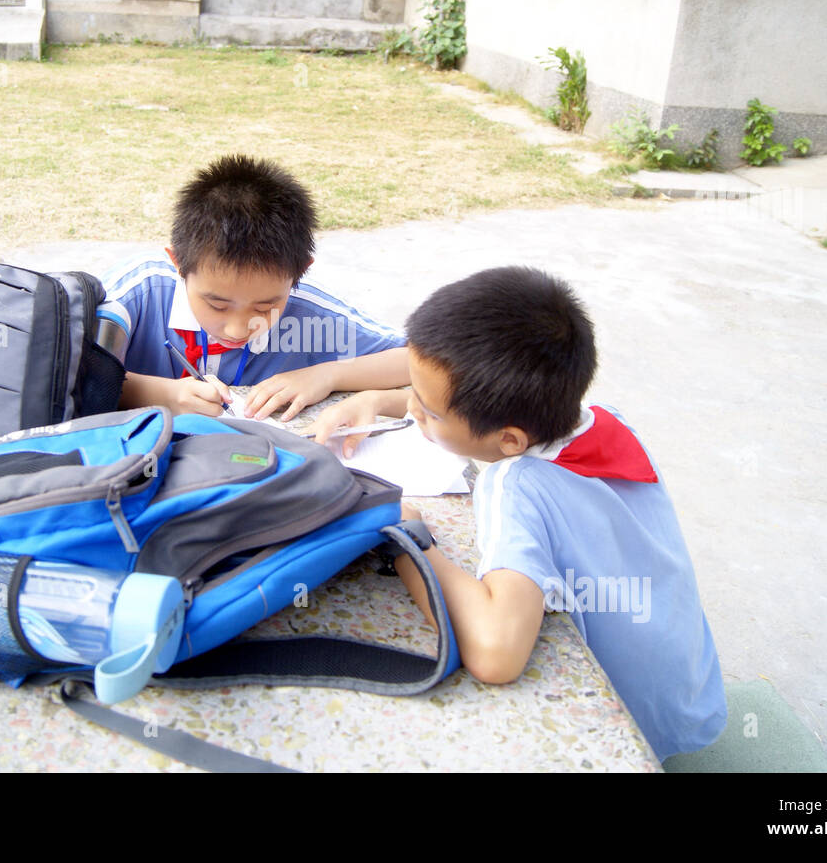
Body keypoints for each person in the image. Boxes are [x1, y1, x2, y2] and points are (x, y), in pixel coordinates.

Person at [311, 266, 726, 761]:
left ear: (509, 441)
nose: (414, 412)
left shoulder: (516, 482)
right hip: (687, 694)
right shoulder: (604, 421)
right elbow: (463, 409)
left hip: (621, 733)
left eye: (427, 410)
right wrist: (378, 400)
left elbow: (496, 653)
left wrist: (406, 535)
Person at [100, 154, 409, 419]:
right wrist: (154, 392)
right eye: (217, 305)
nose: (237, 330)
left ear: (299, 273)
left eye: (264, 307)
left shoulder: (309, 314)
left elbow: (422, 360)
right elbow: (63, 365)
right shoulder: (138, 294)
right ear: (178, 262)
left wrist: (327, 374)